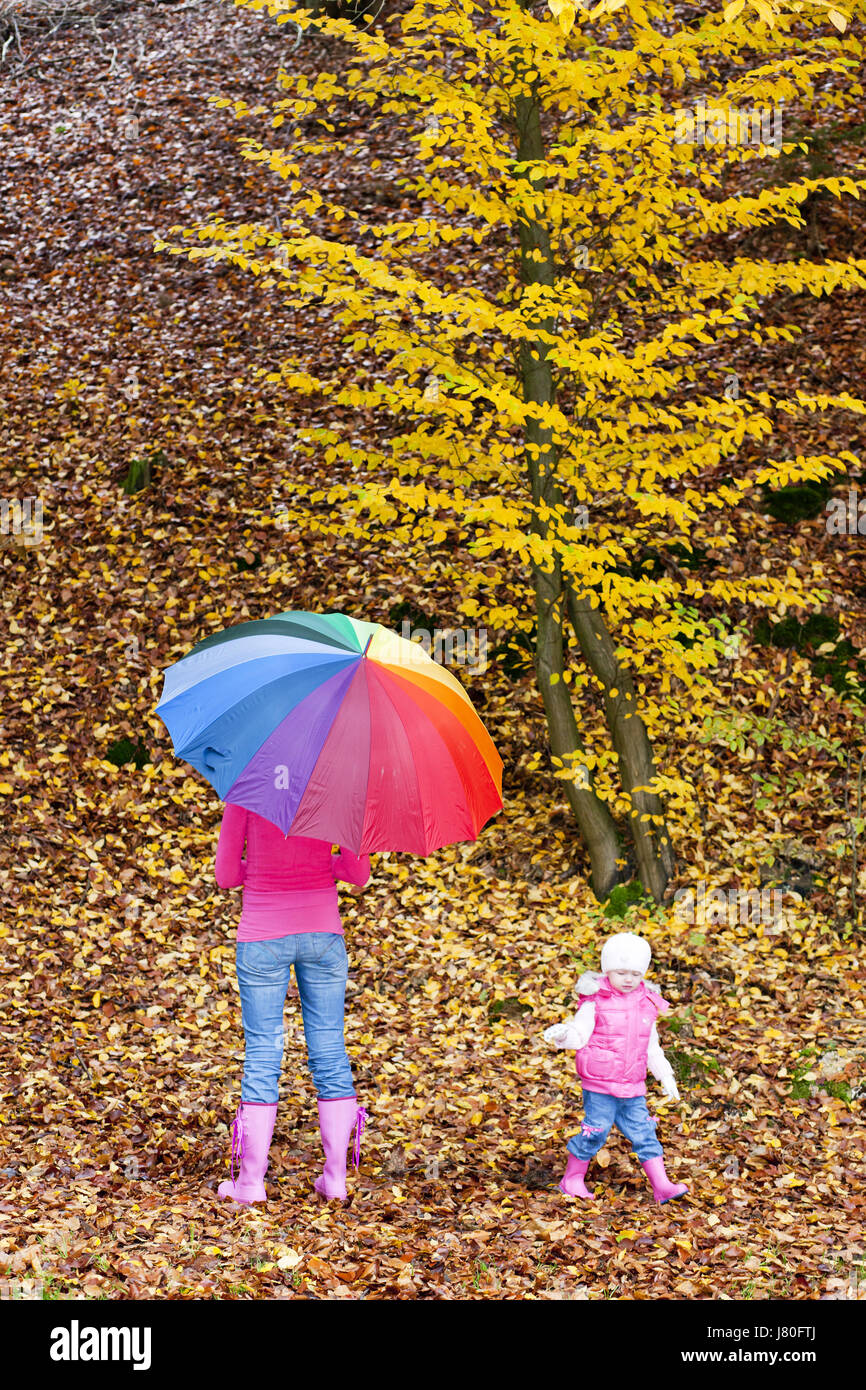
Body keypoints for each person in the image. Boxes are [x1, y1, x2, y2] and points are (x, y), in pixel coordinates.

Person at [213, 801, 371, 1204]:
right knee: (330, 1047)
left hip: (263, 934)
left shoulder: (247, 791)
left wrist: (262, 872)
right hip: (323, 934)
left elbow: (226, 876)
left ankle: (250, 1183)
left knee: (264, 1050)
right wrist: (327, 866)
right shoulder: (337, 787)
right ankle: (335, 1180)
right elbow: (358, 874)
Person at [543, 930, 688, 1204]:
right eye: (621, 973)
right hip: (601, 1084)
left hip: (633, 1086)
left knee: (644, 1131)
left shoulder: (647, 1004)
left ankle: (662, 1185)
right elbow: (580, 1034)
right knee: (596, 1130)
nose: (629, 979)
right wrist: (564, 1035)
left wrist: (666, 1075)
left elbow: (652, 1046)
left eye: (635, 973)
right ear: (608, 970)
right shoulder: (595, 1001)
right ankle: (571, 1179)